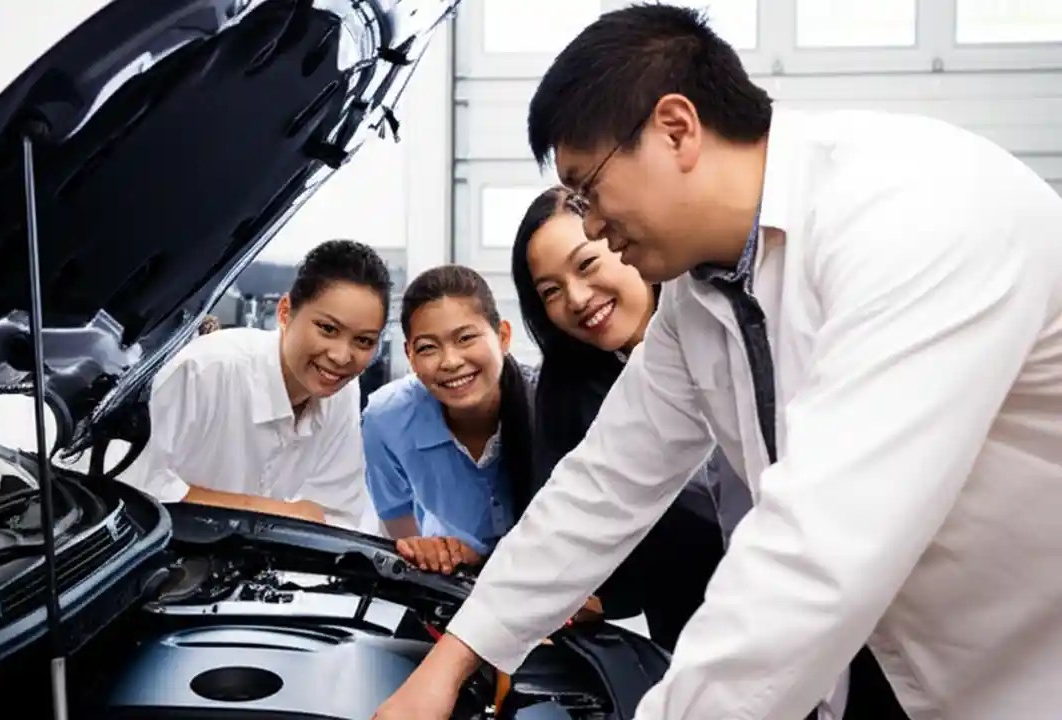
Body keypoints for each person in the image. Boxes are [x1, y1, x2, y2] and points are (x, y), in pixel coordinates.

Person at [375, 5, 1062, 720]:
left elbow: (819, 550)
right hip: (868, 664)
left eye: (588, 190)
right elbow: (605, 482)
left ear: (676, 129)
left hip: (1016, 673)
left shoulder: (914, 214)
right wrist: (453, 662)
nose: (592, 224)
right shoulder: (698, 296)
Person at [511, 185, 749, 651]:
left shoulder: (725, 325)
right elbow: (579, 536)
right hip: (688, 640)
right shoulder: (565, 396)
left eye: (586, 265)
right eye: (551, 291)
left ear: (621, 243)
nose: (577, 298)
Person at [120, 239, 391, 530]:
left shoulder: (342, 391)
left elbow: (336, 514)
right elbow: (127, 489)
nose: (341, 357)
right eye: (327, 329)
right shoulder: (201, 371)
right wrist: (274, 512)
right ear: (285, 311)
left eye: (363, 341)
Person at [360, 265, 536, 574]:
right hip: (448, 583)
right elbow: (402, 531)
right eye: (428, 348)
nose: (451, 362)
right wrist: (428, 552)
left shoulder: (549, 404)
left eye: (466, 338)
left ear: (503, 336)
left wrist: (483, 559)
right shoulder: (385, 420)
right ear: (410, 356)